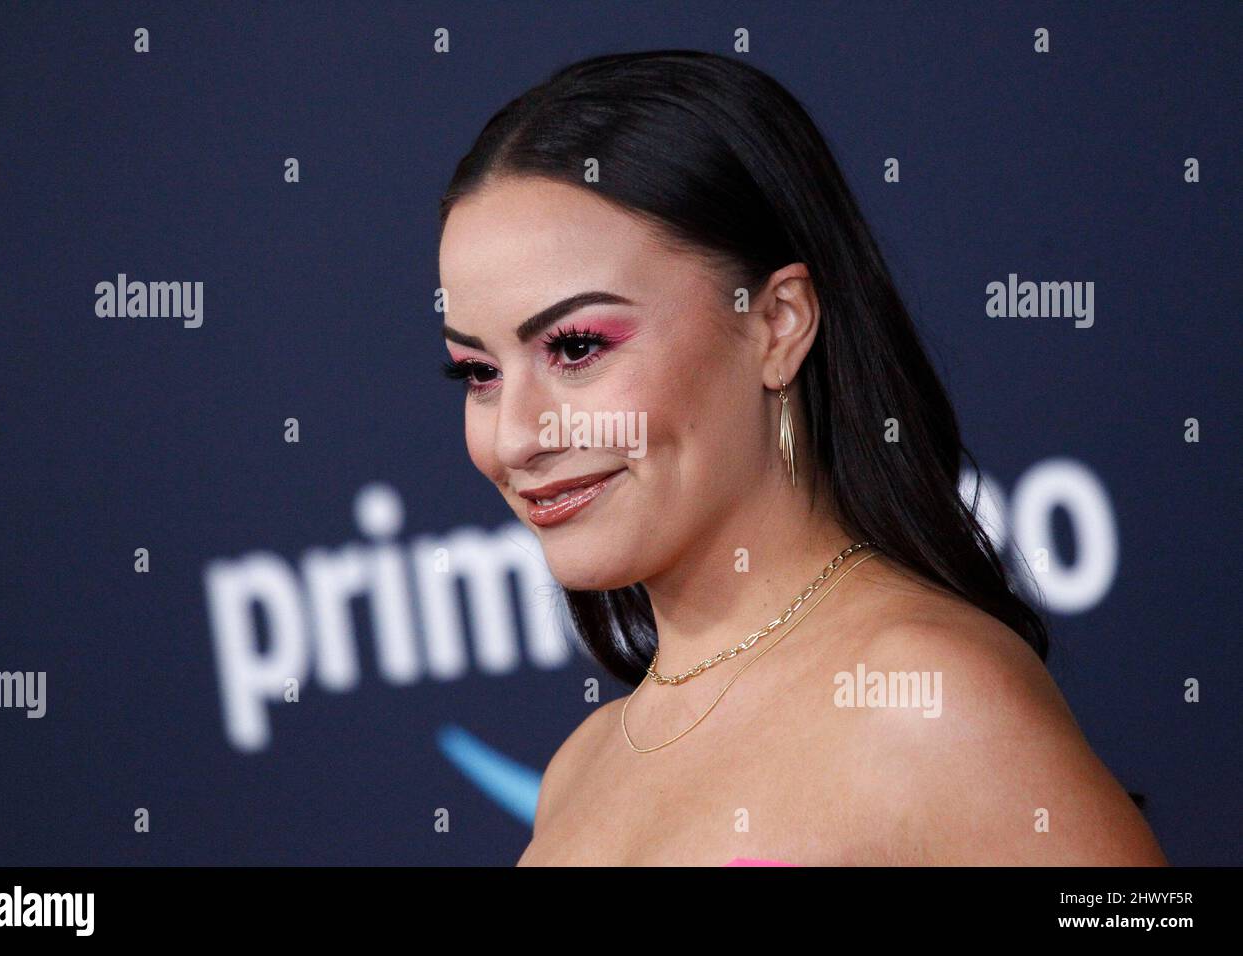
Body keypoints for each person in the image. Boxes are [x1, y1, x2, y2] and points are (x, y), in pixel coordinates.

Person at [437, 50, 1167, 866]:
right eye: (479, 373)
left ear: (778, 321)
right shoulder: (582, 766)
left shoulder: (926, 696)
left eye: (576, 347)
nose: (515, 436)